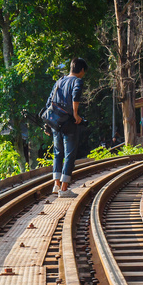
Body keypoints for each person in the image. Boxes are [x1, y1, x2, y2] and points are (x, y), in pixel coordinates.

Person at [45, 57, 87, 198]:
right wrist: (75, 114)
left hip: (56, 123)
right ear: (81, 70)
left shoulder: (59, 81)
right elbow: (76, 95)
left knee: (57, 153)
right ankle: (64, 189)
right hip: (69, 122)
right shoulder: (77, 81)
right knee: (69, 154)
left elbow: (49, 103)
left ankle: (56, 185)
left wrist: (48, 124)